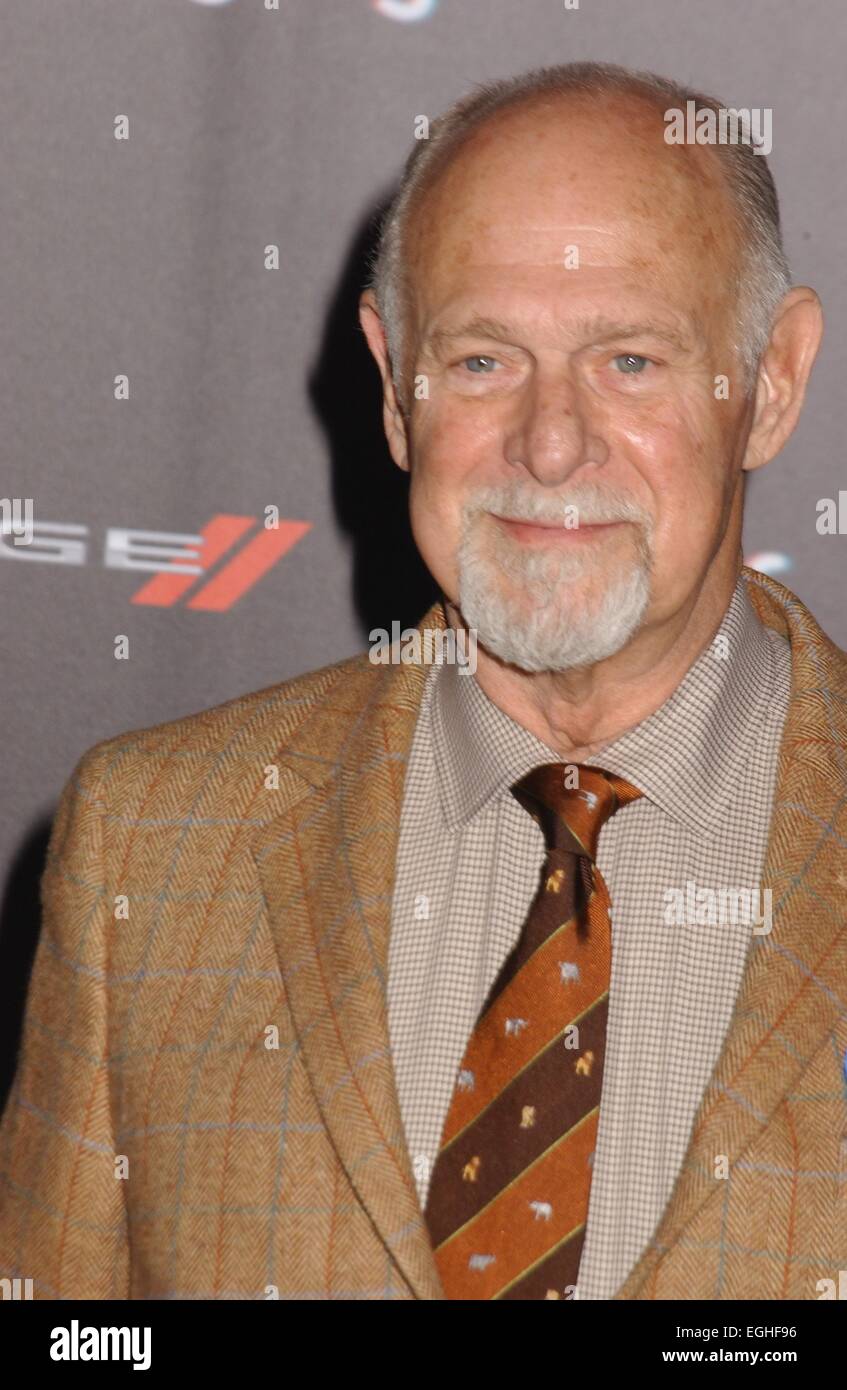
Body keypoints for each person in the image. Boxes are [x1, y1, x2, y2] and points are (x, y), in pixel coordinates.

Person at [1, 61, 844, 1302]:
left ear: (768, 384)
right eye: (483, 361)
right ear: (393, 383)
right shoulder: (151, 851)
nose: (549, 445)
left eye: (629, 361)